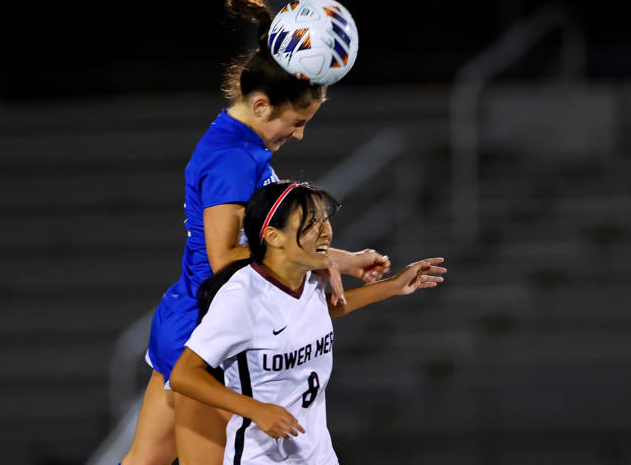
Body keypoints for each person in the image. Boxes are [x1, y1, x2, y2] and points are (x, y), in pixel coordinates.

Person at [121, 0, 391, 465]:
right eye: (295, 121)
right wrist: (321, 261)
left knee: (142, 461)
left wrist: (337, 260)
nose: (300, 133)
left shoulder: (238, 141)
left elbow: (265, 245)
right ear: (262, 105)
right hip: (209, 334)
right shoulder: (235, 161)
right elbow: (227, 256)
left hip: (187, 316)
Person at [169, 181, 447, 464]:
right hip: (262, 457)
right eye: (312, 222)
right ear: (274, 237)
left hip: (318, 455)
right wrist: (256, 409)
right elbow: (184, 375)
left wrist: (393, 286)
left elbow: (314, 313)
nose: (326, 231)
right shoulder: (242, 298)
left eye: (325, 220)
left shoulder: (309, 277)